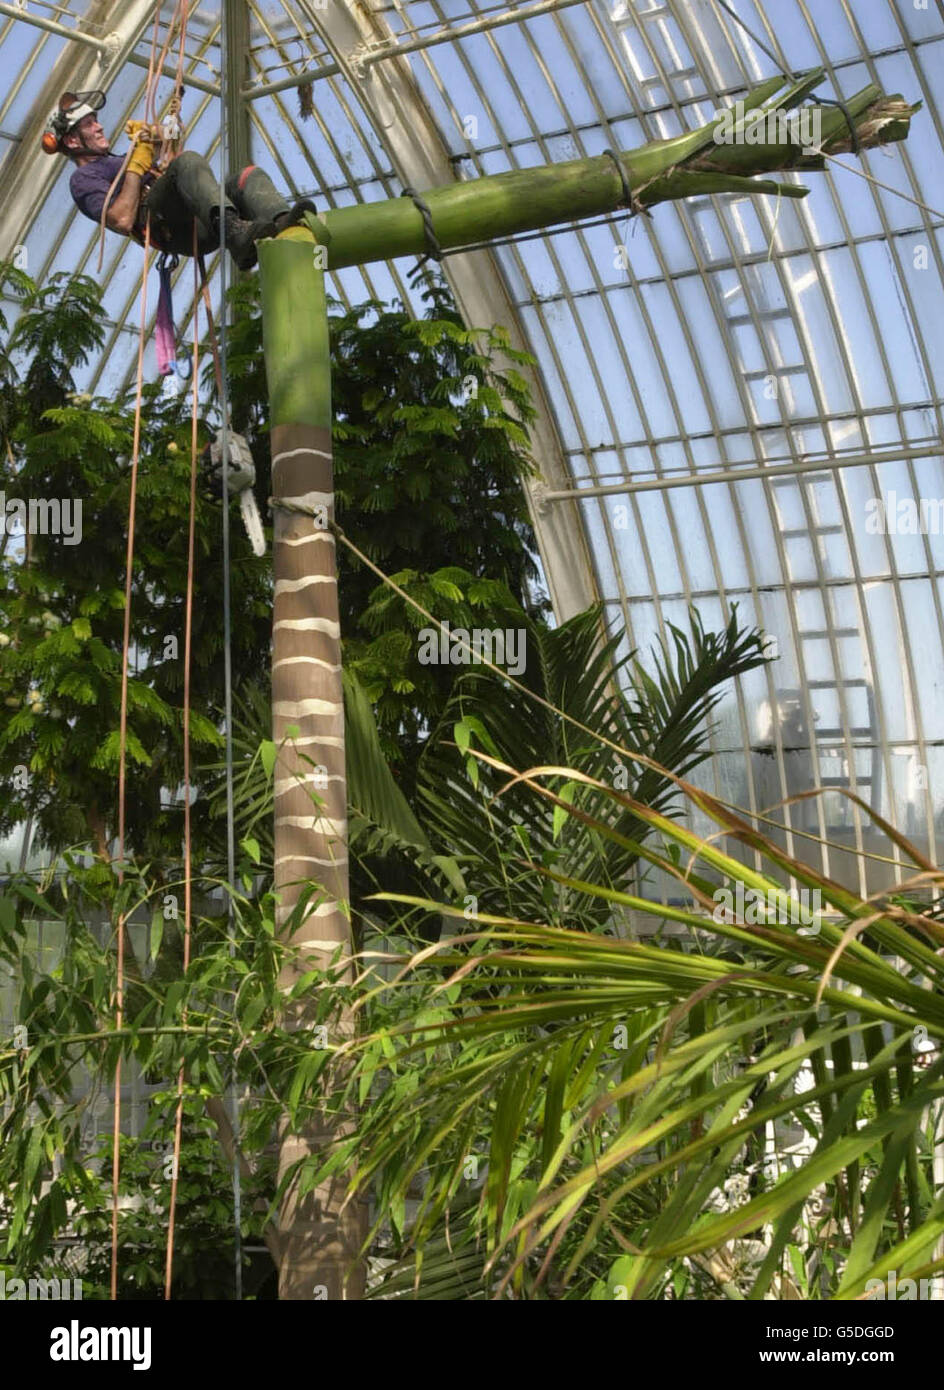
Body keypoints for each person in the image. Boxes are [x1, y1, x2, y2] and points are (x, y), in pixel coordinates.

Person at [43, 90, 315, 270]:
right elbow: (122, 220)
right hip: (167, 226)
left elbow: (170, 143)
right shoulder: (83, 179)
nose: (99, 126)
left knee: (246, 177)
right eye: (89, 125)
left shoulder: (118, 159)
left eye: (95, 120)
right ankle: (234, 232)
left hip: (197, 217)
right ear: (71, 140)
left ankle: (282, 225)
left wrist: (155, 133)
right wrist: (137, 164)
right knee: (187, 161)